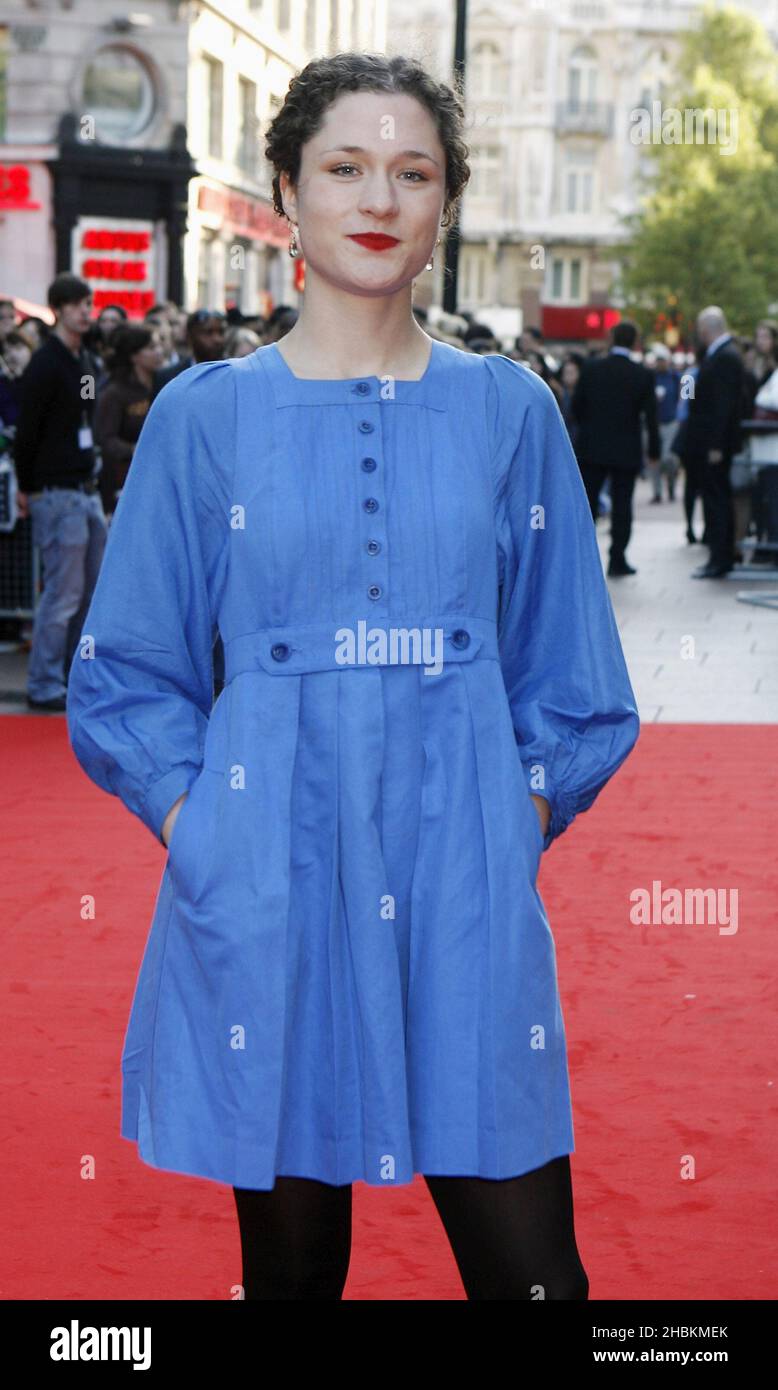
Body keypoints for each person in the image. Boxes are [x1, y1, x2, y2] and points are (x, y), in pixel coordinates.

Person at [65, 52, 640, 1301]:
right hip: (267, 883)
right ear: (287, 189)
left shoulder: (511, 411)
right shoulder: (201, 418)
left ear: (443, 206)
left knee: (538, 1279)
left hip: (466, 896)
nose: (378, 196)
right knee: (289, 1282)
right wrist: (198, 820)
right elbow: (126, 673)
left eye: (412, 171)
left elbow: (576, 677)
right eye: (345, 166)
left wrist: (514, 816)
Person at [14, 273, 107, 711]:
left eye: (88, 304)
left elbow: (85, 408)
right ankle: (45, 681)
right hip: (56, 490)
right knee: (63, 593)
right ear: (58, 309)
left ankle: (72, 675)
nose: (86, 312)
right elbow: (27, 431)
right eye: (77, 305)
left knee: (90, 592)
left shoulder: (82, 360)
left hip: (83, 486)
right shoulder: (45, 364)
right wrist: (27, 486)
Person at [571, 320, 660, 576]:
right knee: (623, 505)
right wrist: (654, 451)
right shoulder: (642, 374)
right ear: (634, 342)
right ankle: (617, 557)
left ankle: (583, 558)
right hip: (625, 449)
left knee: (587, 505)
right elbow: (650, 417)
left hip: (592, 447)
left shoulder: (591, 368)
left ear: (611, 339)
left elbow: (577, 406)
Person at [685, 306, 745, 578]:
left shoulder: (725, 357)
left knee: (717, 499)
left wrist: (716, 446)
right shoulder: (724, 355)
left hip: (714, 444)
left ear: (707, 330)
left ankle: (720, 558)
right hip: (712, 442)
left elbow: (723, 406)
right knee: (716, 498)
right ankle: (720, 557)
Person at [94, 324, 164, 517]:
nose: (159, 352)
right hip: (124, 482)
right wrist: (134, 450)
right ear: (134, 356)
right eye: (151, 348)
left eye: (159, 345)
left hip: (160, 480)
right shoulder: (114, 393)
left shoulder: (165, 385)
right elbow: (105, 438)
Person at [152, 309, 226, 394]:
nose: (217, 339)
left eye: (221, 332)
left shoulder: (235, 374)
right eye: (208, 332)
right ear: (189, 336)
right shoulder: (168, 377)